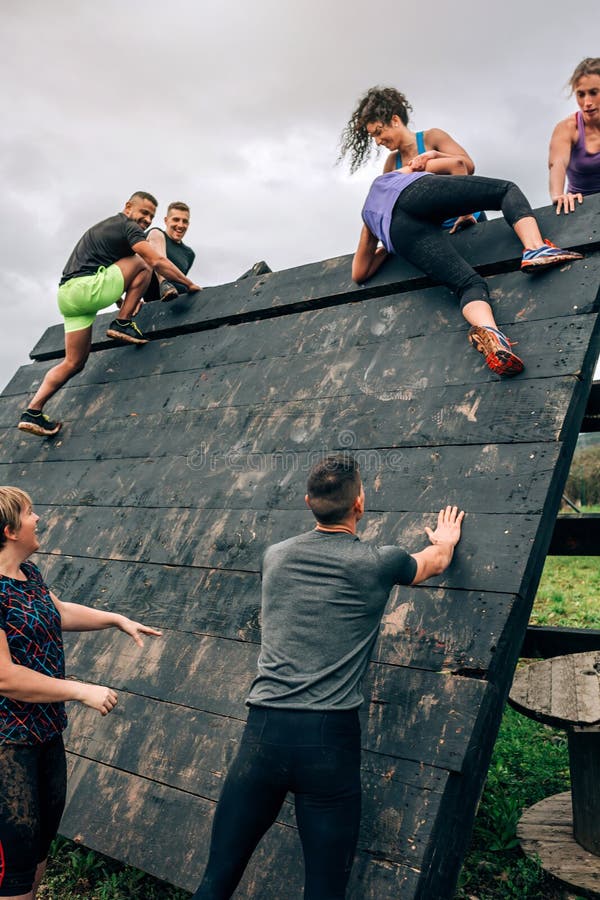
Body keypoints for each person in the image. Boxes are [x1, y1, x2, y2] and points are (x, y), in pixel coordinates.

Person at [192, 454, 464, 899]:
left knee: (216, 880)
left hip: (264, 734)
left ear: (307, 501)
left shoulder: (275, 556)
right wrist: (446, 539)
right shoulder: (381, 562)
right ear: (360, 502)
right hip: (329, 740)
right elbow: (433, 562)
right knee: (325, 891)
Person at [0, 485, 162, 899]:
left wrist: (116, 619)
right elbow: (5, 677)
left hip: (46, 734)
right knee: (13, 865)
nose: (38, 518)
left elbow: (57, 611)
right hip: (7, 744)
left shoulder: (28, 575)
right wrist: (79, 690)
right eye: (30, 512)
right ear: (10, 529)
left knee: (37, 852)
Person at [353, 160, 584, 377]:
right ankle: (536, 248)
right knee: (505, 190)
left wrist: (388, 245)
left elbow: (359, 272)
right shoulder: (398, 175)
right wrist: (464, 209)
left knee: (468, 285)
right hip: (414, 193)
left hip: (396, 233)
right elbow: (459, 164)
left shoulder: (368, 217)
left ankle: (492, 334)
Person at [17, 192, 201, 438]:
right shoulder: (128, 226)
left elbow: (106, 266)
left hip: (68, 297)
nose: (146, 220)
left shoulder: (108, 228)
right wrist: (189, 285)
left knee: (74, 362)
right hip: (86, 287)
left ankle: (33, 412)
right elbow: (154, 261)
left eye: (151, 216)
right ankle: (123, 323)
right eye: (144, 213)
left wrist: (122, 299)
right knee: (144, 261)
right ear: (128, 207)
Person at [339, 86, 485, 233]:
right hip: (437, 233)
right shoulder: (391, 163)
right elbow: (387, 205)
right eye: (373, 137)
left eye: (378, 132)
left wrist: (434, 155)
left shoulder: (432, 138)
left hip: (471, 222)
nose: (377, 142)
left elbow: (468, 166)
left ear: (395, 120)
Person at [548, 57, 600, 214]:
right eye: (581, 94)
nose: (587, 102)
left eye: (593, 93)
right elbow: (557, 164)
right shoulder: (568, 128)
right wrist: (558, 195)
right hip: (581, 211)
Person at [144, 201, 197, 303]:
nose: (180, 225)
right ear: (166, 220)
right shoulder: (154, 235)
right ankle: (164, 285)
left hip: (179, 301)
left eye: (184, 221)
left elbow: (179, 280)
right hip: (154, 301)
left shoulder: (189, 254)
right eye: (176, 220)